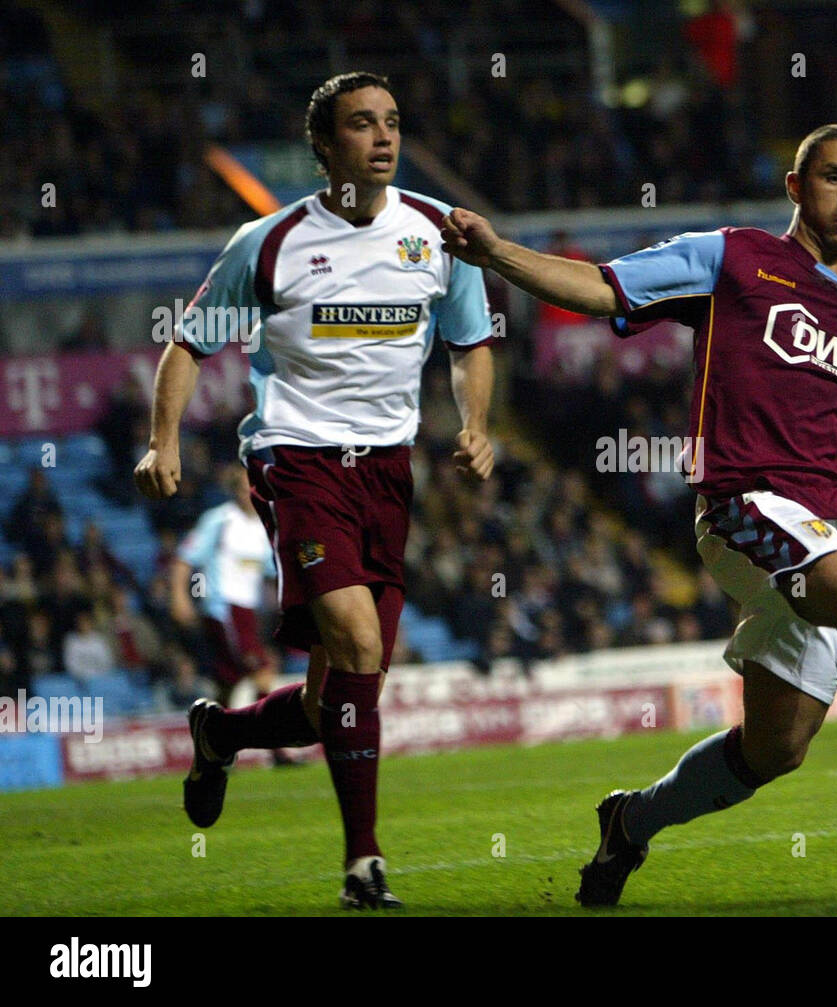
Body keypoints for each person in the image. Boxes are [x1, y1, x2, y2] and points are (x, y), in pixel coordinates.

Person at [440, 122, 837, 908]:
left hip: (825, 535)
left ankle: (629, 822)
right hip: (742, 502)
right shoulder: (732, 256)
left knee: (775, 749)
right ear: (796, 187)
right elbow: (605, 286)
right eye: (834, 177)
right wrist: (497, 253)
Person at [135, 71, 498, 910]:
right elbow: (188, 344)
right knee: (363, 649)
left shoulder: (438, 235)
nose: (384, 137)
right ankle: (363, 862)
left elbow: (471, 340)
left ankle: (219, 731)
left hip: (388, 470)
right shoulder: (268, 243)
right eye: (363, 124)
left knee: (332, 697)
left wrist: (475, 424)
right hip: (296, 460)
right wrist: (163, 442)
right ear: (325, 145)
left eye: (394, 122)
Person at [171, 465, 296, 762]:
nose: (247, 492)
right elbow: (184, 558)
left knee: (228, 682)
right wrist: (180, 597)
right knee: (262, 671)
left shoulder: (265, 528)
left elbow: (272, 570)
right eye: (240, 487)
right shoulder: (219, 520)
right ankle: (276, 748)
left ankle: (213, 746)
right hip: (223, 608)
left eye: (251, 486)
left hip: (248, 611)